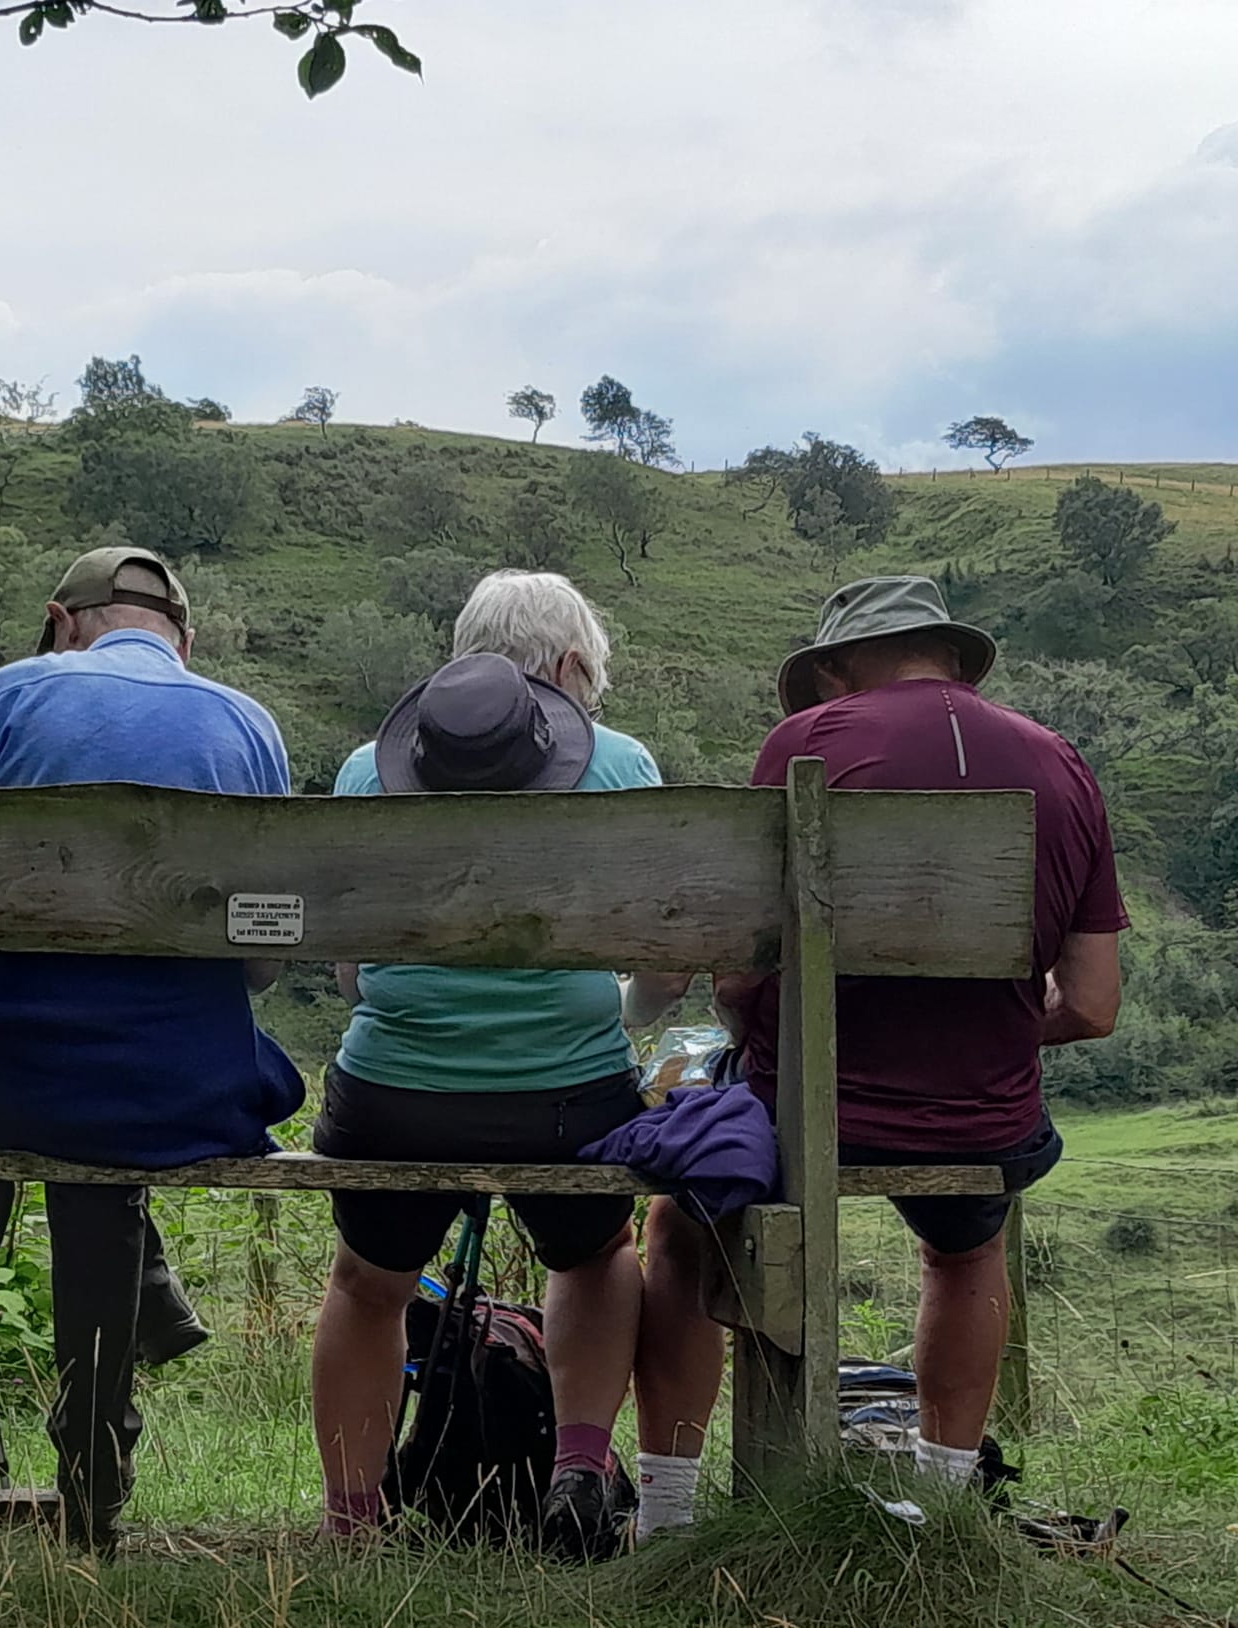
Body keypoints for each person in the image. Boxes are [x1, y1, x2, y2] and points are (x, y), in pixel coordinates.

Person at [632, 575, 1125, 1541]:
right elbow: (1096, 1006)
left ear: (835, 667)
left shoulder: (806, 742)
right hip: (982, 1113)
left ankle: (668, 1518)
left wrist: (770, 1037)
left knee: (681, 1223)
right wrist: (980, 1031)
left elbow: (736, 979)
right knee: (967, 1247)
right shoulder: (1063, 765)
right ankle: (945, 1506)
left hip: (805, 1107)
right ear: (949, 656)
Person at [0, 544, 303, 1553]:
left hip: (8, 1078)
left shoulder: (12, 692)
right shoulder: (246, 720)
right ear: (182, 641)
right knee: (112, 1130)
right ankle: (96, 1457)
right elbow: (263, 968)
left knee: (36, 1076)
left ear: (63, 622)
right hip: (184, 1091)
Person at [308, 570, 687, 1562]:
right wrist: (624, 1012)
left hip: (389, 1097)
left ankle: (350, 1522)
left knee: (365, 1282)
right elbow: (666, 966)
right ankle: (573, 1469)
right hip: (567, 1098)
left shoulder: (362, 769)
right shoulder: (620, 763)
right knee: (595, 1253)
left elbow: (352, 973)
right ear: (567, 668)